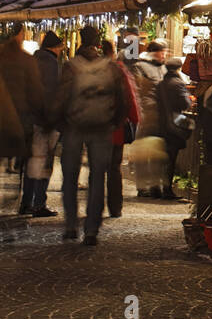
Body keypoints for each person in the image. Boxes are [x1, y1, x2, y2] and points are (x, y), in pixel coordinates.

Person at [53, 25, 125, 245]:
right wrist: (115, 121)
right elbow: (123, 98)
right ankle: (92, 229)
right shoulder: (110, 67)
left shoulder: (71, 66)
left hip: (75, 127)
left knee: (70, 177)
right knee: (97, 178)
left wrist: (59, 123)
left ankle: (71, 226)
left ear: (81, 41)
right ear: (97, 41)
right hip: (103, 127)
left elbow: (62, 97)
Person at [0, 21, 45, 215]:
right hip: (21, 120)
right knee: (25, 161)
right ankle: (22, 201)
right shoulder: (26, 60)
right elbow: (36, 93)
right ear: (20, 34)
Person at [21, 30, 64, 216]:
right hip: (44, 122)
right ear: (56, 47)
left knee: (31, 162)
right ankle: (39, 203)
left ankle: (26, 202)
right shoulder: (51, 64)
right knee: (44, 163)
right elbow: (51, 94)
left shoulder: (33, 61)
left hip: (28, 120)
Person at [103, 37, 140, 218]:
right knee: (113, 169)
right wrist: (134, 119)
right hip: (114, 129)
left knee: (97, 169)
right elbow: (130, 97)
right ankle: (115, 207)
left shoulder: (87, 70)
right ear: (112, 52)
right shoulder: (118, 70)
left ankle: (94, 208)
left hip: (93, 128)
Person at [129, 39, 167, 198]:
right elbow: (137, 91)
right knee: (145, 152)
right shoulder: (140, 67)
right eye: (163, 52)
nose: (164, 55)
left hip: (159, 115)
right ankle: (145, 186)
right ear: (155, 52)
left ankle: (155, 185)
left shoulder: (163, 68)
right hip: (145, 114)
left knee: (157, 151)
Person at [156, 57, 193, 201]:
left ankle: (161, 187)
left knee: (164, 157)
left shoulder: (161, 84)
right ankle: (167, 189)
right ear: (178, 68)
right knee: (171, 158)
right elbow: (185, 103)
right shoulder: (178, 83)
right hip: (174, 125)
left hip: (161, 124)